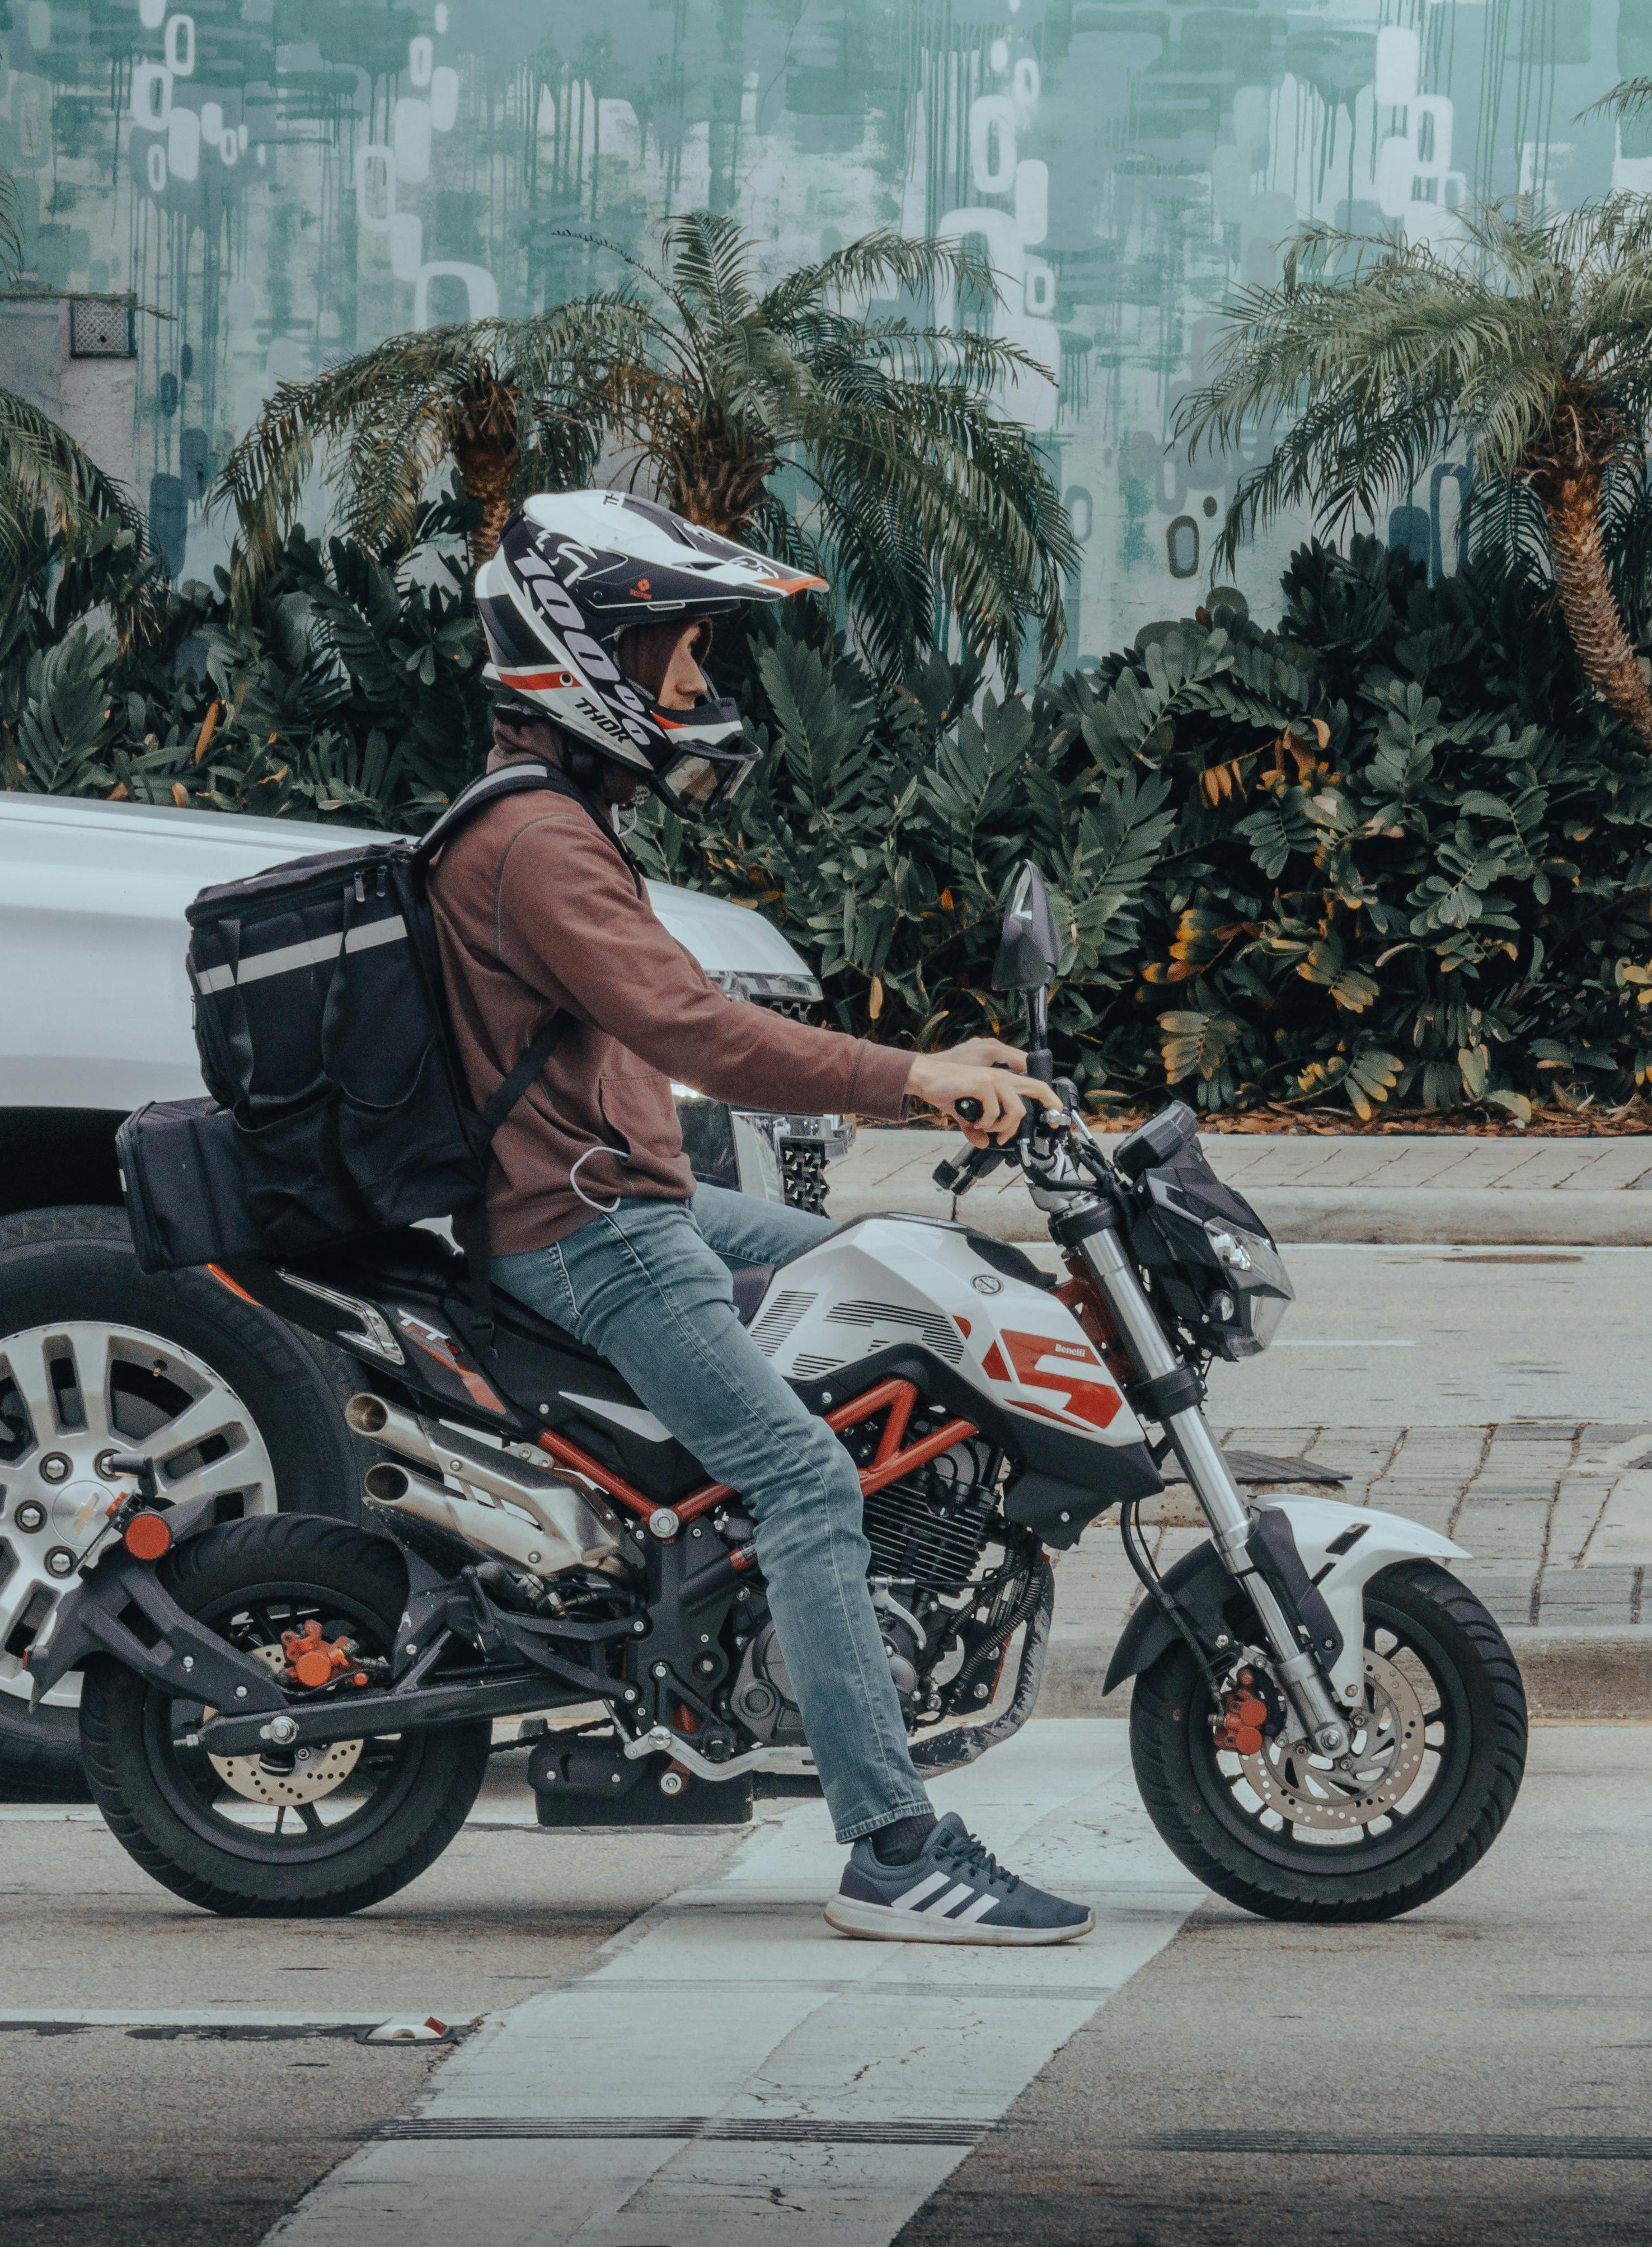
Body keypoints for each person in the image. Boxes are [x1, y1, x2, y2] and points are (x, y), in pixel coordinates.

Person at [427, 490, 1092, 1944]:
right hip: (593, 1241)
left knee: (908, 1273)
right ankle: (891, 1846)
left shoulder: (559, 823)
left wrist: (946, 1075)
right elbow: (701, 1034)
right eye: (676, 655)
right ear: (587, 653)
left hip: (642, 1212)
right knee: (802, 1479)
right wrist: (918, 1081)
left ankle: (764, 1622)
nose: (699, 688)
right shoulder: (536, 844)